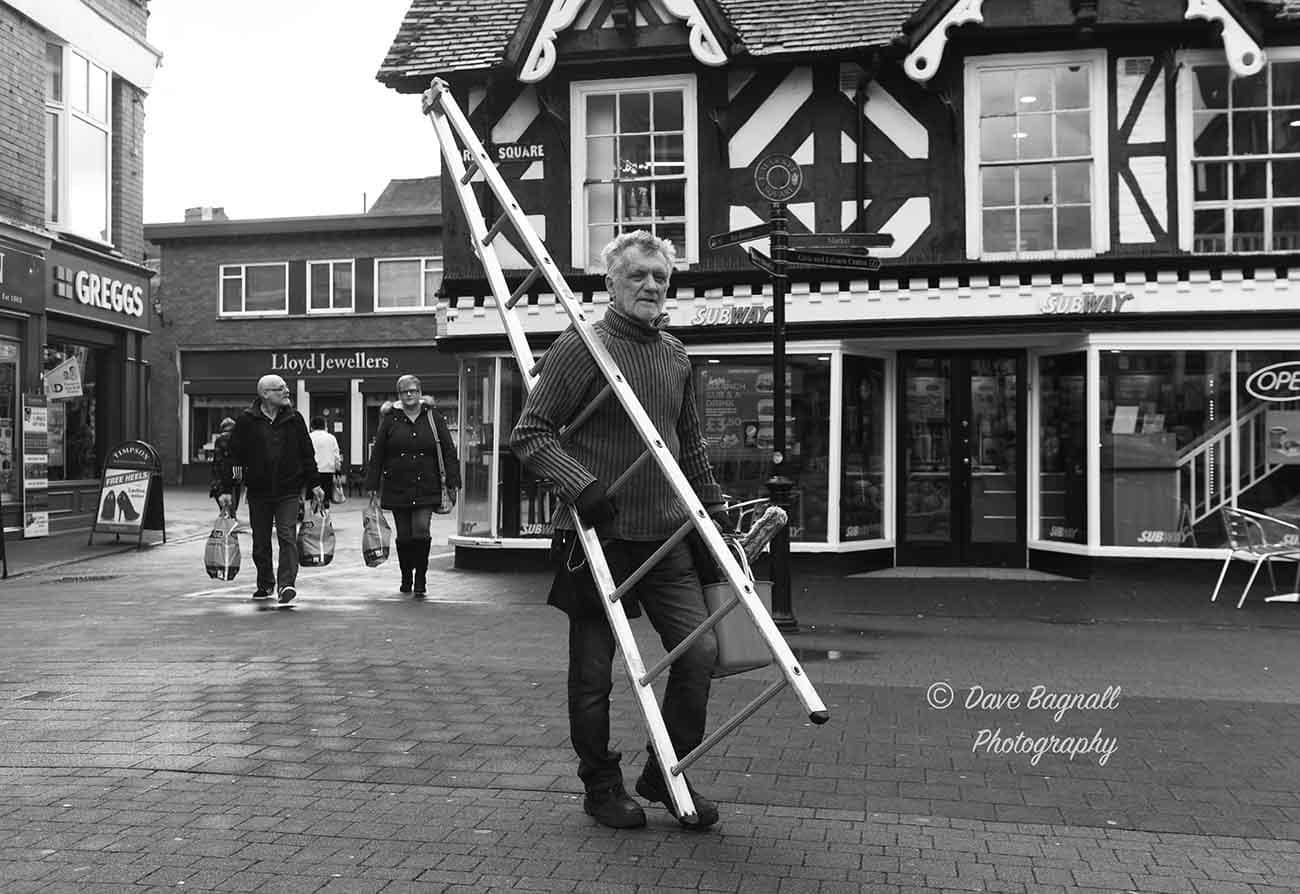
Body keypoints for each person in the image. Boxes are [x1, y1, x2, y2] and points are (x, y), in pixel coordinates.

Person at [510, 230, 728, 831]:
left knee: (700, 653)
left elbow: (689, 447)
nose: (651, 287)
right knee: (594, 675)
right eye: (637, 276)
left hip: (666, 539)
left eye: (660, 277)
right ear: (610, 284)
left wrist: (714, 513)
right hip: (596, 538)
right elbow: (531, 433)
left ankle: (665, 774)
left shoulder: (676, 354)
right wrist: (582, 484)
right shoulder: (583, 348)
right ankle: (601, 786)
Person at [217, 374, 324, 604]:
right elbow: (235, 457)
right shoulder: (247, 420)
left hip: (288, 489)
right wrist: (228, 487)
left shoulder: (295, 419)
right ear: (265, 394)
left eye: (286, 388)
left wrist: (314, 483)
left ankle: (286, 584)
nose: (287, 391)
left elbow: (307, 453)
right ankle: (265, 583)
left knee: (287, 535)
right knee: (261, 542)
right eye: (280, 389)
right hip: (258, 491)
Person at [365, 375, 460, 598]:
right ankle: (406, 575)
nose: (410, 394)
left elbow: (448, 448)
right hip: (397, 484)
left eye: (414, 390)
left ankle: (421, 577)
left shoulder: (432, 417)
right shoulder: (390, 419)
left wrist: (454, 479)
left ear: (420, 393)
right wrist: (372, 483)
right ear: (399, 395)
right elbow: (378, 452)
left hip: (427, 484)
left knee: (421, 529)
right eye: (405, 391)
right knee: (404, 535)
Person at [209, 417, 241, 521]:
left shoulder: (219, 440)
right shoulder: (238, 438)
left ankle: (227, 517)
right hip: (236, 471)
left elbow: (217, 460)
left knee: (222, 497)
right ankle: (232, 516)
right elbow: (240, 458)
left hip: (223, 472)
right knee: (234, 495)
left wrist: (216, 476)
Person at [309, 416, 342, 508]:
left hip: (312, 472)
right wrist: (338, 472)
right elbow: (336, 456)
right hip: (328, 472)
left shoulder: (308, 437)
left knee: (313, 498)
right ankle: (325, 519)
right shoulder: (331, 438)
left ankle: (314, 518)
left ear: (311, 427)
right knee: (326, 499)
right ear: (325, 426)